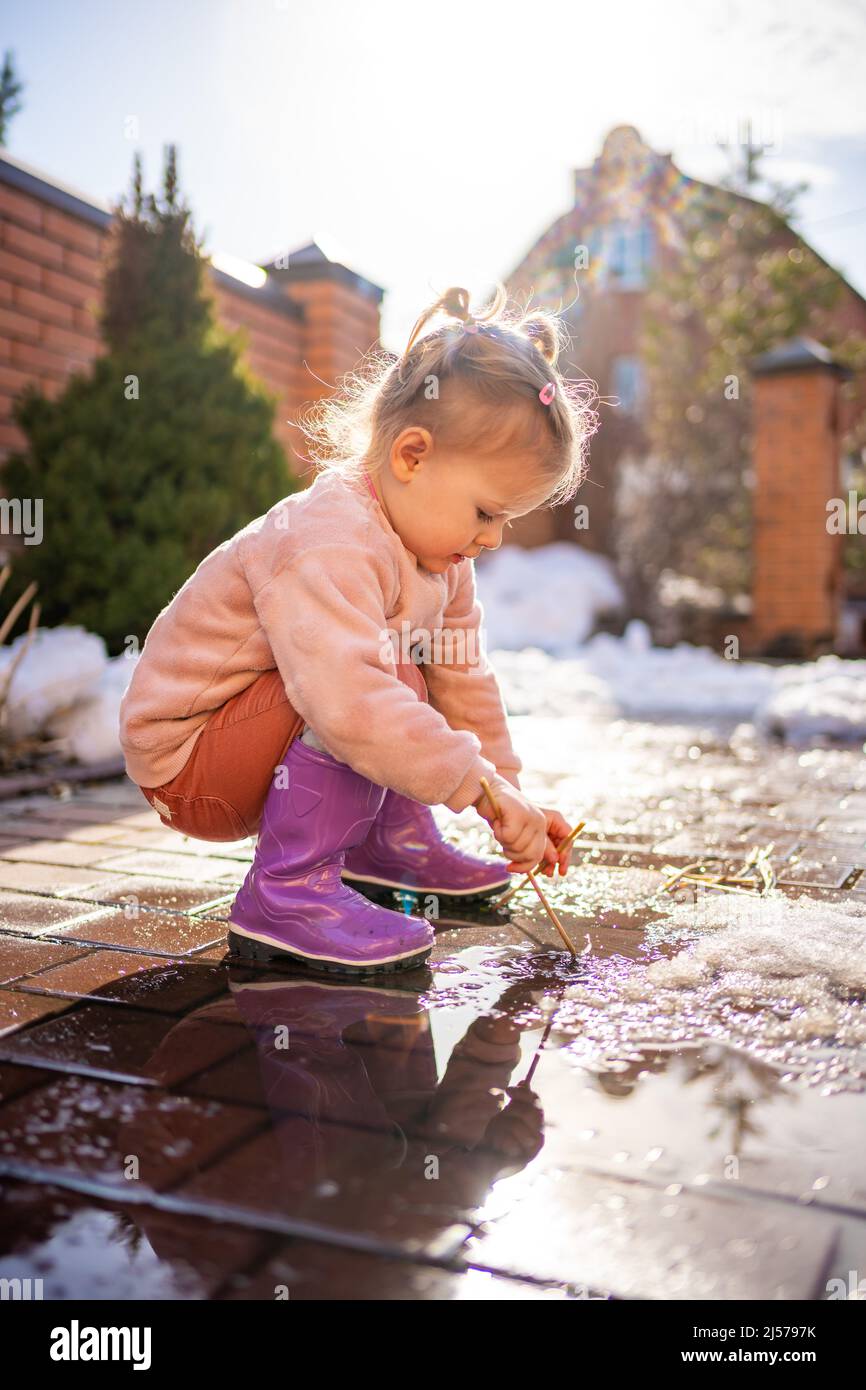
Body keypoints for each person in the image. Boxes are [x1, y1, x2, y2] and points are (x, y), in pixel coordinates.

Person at [118, 283, 599, 974]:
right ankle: (286, 896)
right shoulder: (329, 539)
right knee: (379, 676)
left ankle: (389, 850)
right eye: (487, 512)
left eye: (507, 522)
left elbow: (465, 678)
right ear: (411, 456)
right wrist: (477, 785)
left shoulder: (442, 559)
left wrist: (508, 794)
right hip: (189, 761)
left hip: (266, 734)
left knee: (414, 665)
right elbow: (347, 703)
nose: (493, 540)